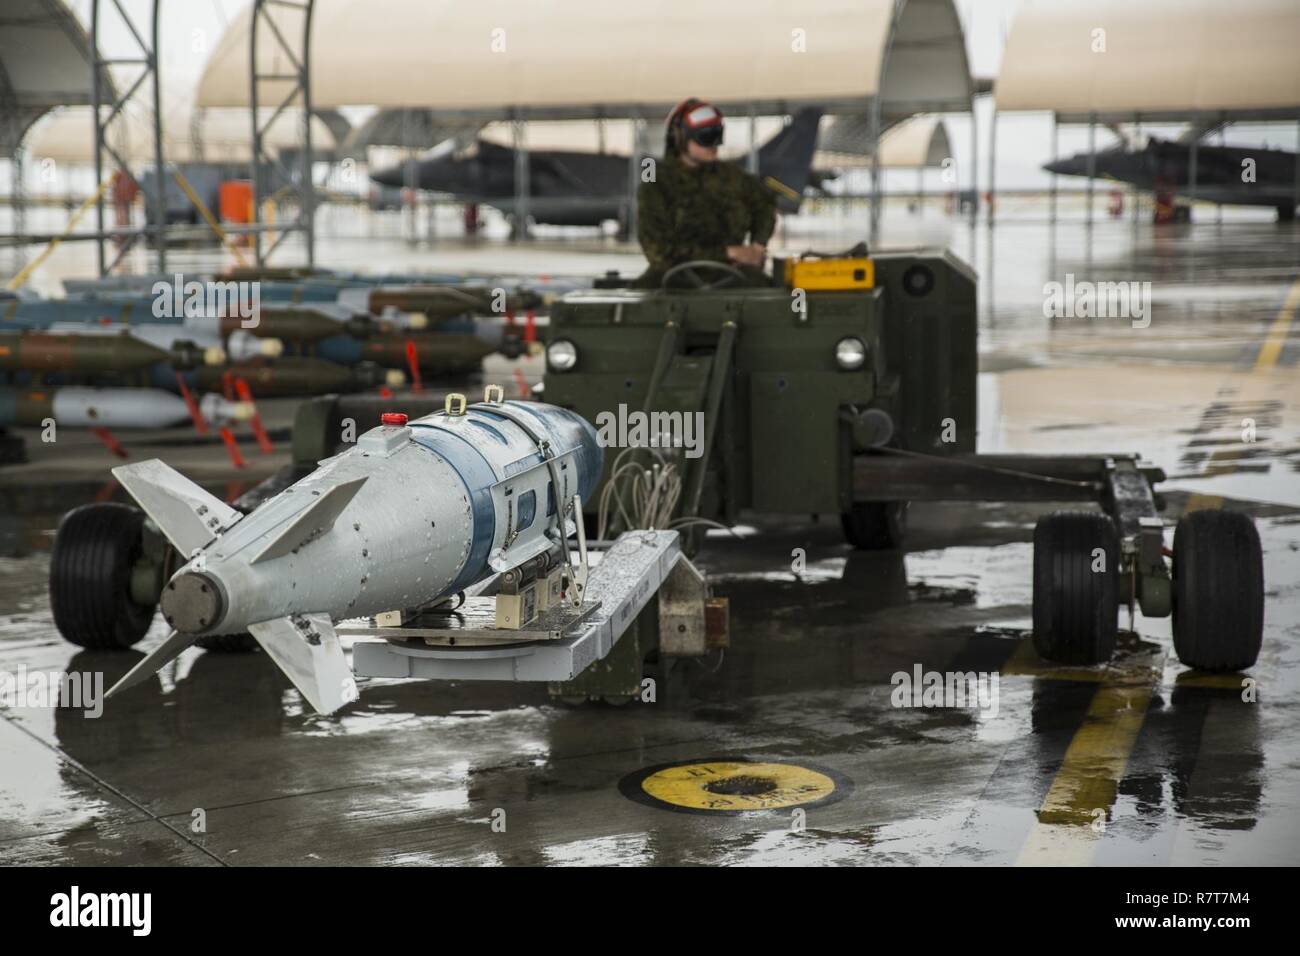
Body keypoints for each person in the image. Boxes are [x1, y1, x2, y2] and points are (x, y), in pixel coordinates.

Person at [634, 98, 776, 287]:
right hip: (672, 281)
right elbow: (658, 252)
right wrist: (729, 253)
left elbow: (765, 203)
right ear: (680, 138)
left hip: (732, 278)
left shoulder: (732, 177)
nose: (714, 145)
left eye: (718, 136)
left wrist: (757, 246)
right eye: (706, 137)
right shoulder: (655, 183)